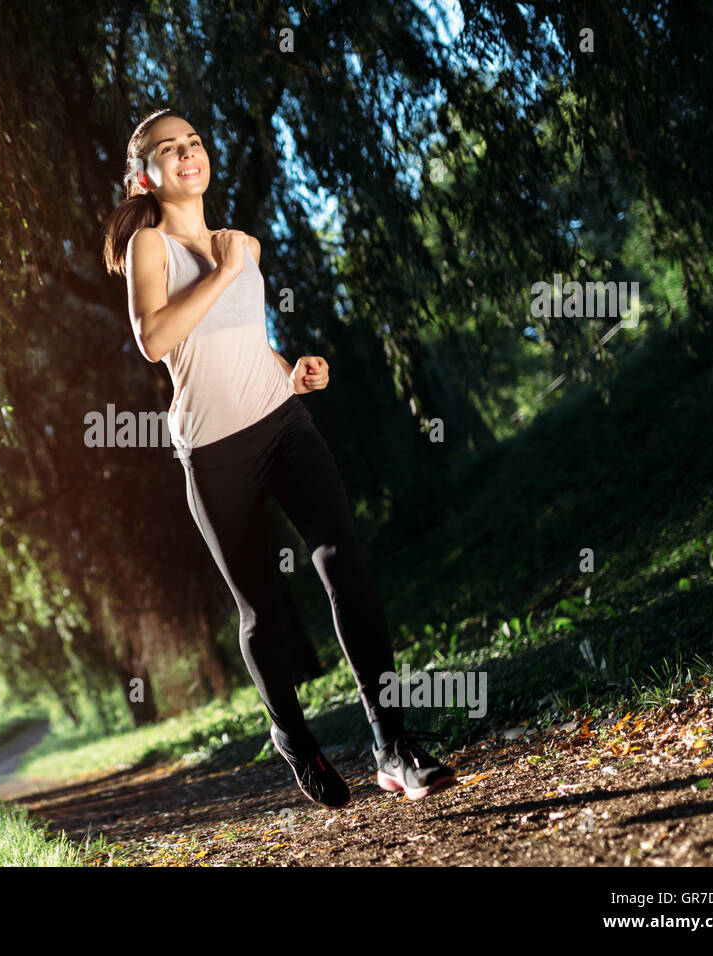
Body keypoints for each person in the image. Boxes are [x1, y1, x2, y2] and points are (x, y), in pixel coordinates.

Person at [102, 109, 457, 808]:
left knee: (343, 562)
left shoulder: (244, 245)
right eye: (169, 150)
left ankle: (394, 745)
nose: (187, 156)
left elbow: (239, 337)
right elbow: (155, 339)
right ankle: (294, 739)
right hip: (213, 448)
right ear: (146, 174)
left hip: (283, 422)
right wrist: (227, 267)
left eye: (195, 143)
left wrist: (290, 370)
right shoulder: (151, 247)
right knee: (261, 611)